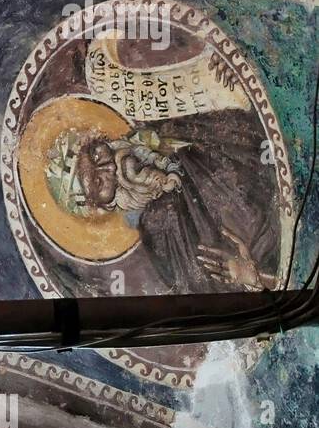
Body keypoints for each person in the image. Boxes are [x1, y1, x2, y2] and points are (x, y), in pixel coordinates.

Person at [63, 109, 281, 293]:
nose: (111, 168)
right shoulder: (161, 228)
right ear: (106, 206)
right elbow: (207, 289)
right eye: (98, 181)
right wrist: (253, 278)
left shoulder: (182, 134)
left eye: (97, 156)